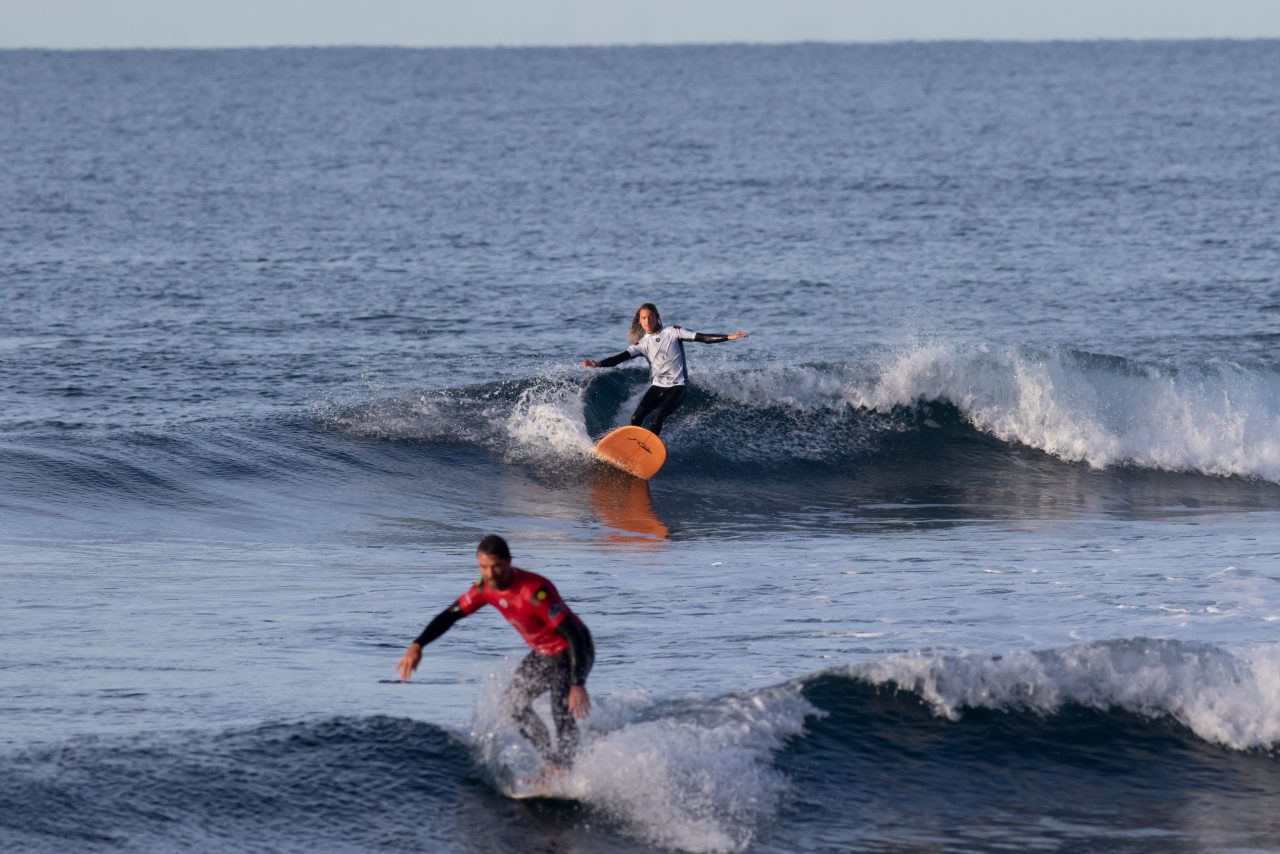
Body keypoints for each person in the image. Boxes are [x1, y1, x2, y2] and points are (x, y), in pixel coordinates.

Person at [397, 535, 594, 772]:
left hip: (573, 649)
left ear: (509, 561)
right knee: (514, 707)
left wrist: (577, 683)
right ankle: (550, 762)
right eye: (483, 567)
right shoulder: (484, 589)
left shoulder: (533, 592)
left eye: (495, 566)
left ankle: (564, 769)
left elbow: (573, 635)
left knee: (560, 709)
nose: (489, 574)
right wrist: (418, 645)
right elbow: (450, 615)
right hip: (543, 652)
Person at [581, 303, 748, 437]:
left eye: (650, 317)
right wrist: (598, 364)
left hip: (678, 386)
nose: (647, 321)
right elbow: (620, 358)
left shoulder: (673, 332)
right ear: (640, 321)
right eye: (643, 318)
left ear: (657, 318)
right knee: (636, 417)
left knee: (658, 416)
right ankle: (632, 445)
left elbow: (702, 338)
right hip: (658, 386)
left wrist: (728, 337)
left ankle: (647, 449)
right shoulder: (642, 344)